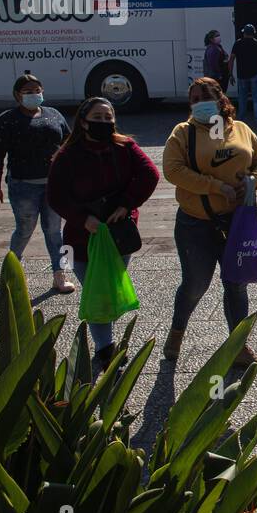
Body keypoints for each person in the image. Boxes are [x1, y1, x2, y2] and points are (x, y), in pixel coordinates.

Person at [160, 78, 257, 370]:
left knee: (236, 285)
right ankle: (177, 332)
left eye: (205, 96)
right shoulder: (183, 133)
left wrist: (253, 181)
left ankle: (239, 348)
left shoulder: (243, 129)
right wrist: (214, 186)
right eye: (194, 98)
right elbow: (173, 170)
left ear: (221, 98)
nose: (199, 102)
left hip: (237, 223)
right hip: (196, 224)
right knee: (195, 284)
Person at [46, 98, 159, 364]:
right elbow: (55, 196)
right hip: (78, 239)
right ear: (83, 122)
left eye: (109, 117)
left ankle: (105, 345)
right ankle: (105, 349)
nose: (105, 122)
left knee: (106, 290)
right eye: (98, 117)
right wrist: (81, 218)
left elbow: (150, 174)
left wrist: (126, 204)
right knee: (96, 291)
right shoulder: (66, 155)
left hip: (118, 235)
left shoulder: (125, 147)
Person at [0, 73, 74, 292]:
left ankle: (61, 273)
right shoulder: (6, 120)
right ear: (17, 95)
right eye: (28, 91)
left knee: (55, 231)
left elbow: (70, 143)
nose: (34, 94)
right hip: (23, 185)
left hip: (54, 184)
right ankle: (11, 271)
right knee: (24, 229)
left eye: (37, 90)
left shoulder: (54, 114)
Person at [229, 23, 257, 128]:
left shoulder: (238, 43)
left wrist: (230, 74)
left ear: (244, 33)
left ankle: (239, 122)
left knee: (242, 99)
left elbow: (231, 59)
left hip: (242, 75)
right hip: (256, 75)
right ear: (253, 33)